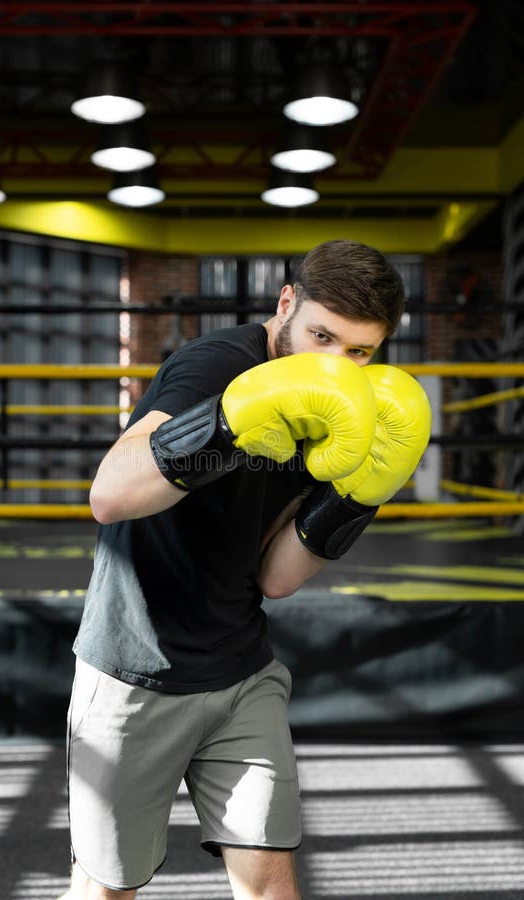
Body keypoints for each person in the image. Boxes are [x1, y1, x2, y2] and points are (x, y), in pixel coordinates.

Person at [59, 239, 431, 900]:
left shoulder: (346, 406)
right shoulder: (217, 365)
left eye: (359, 352)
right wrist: (230, 425)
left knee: (270, 885)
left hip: (242, 673)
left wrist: (359, 494)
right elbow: (109, 496)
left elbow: (276, 578)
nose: (334, 365)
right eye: (321, 336)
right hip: (136, 672)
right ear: (286, 303)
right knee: (105, 890)